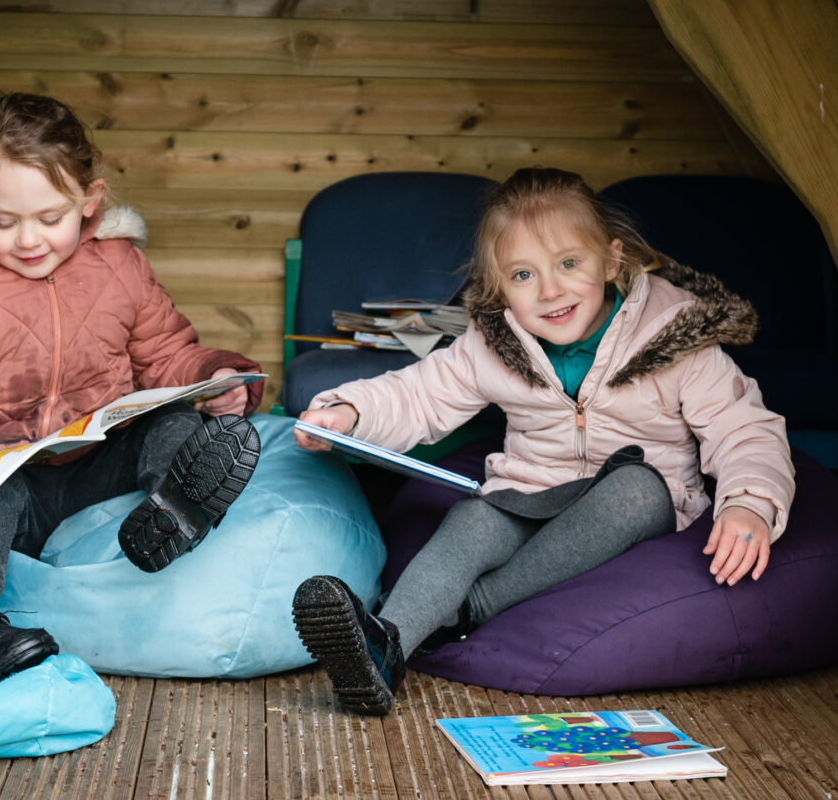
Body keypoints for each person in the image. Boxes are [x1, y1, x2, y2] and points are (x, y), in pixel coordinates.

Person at [290, 167, 794, 715]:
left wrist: (749, 503)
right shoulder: (495, 342)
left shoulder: (674, 336)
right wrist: (349, 412)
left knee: (634, 491)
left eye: (569, 264)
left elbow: (744, 428)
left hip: (644, 500)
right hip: (533, 490)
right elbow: (420, 394)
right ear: (499, 287)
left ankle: (470, 609)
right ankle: (383, 647)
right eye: (523, 274)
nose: (550, 291)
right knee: (474, 518)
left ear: (612, 261)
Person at [0, 92, 264, 692]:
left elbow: (166, 355)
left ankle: (176, 509)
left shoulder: (120, 267)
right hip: (11, 480)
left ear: (89, 201)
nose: (28, 239)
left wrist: (216, 376)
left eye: (50, 217)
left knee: (173, 425)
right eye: (3, 222)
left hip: (98, 466)